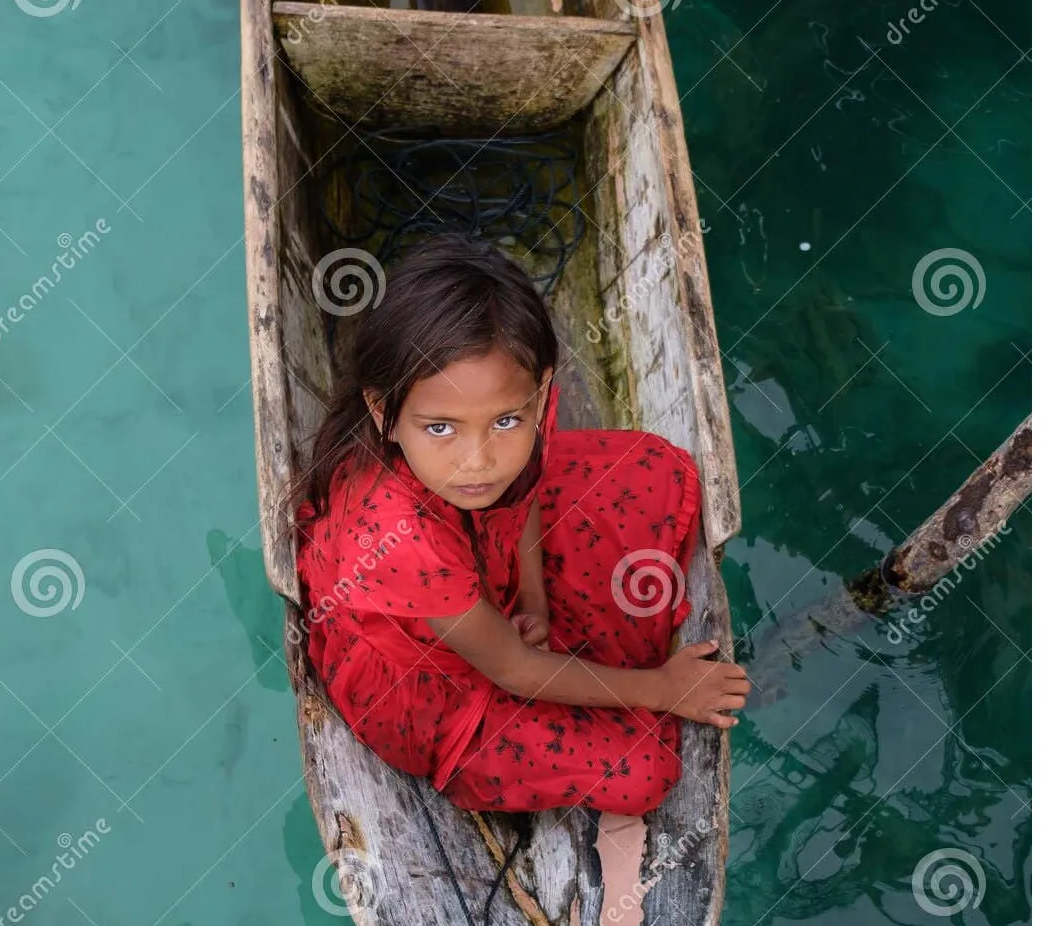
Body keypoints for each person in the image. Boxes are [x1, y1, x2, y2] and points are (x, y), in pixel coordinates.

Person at [294, 234, 751, 816]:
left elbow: (524, 489)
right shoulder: (397, 535)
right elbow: (512, 668)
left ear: (538, 395)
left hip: (484, 568)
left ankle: (583, 658)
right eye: (440, 428)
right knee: (641, 770)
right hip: (430, 682)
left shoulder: (515, 430)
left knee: (656, 471)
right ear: (384, 413)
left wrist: (533, 600)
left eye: (506, 420)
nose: (478, 461)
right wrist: (665, 688)